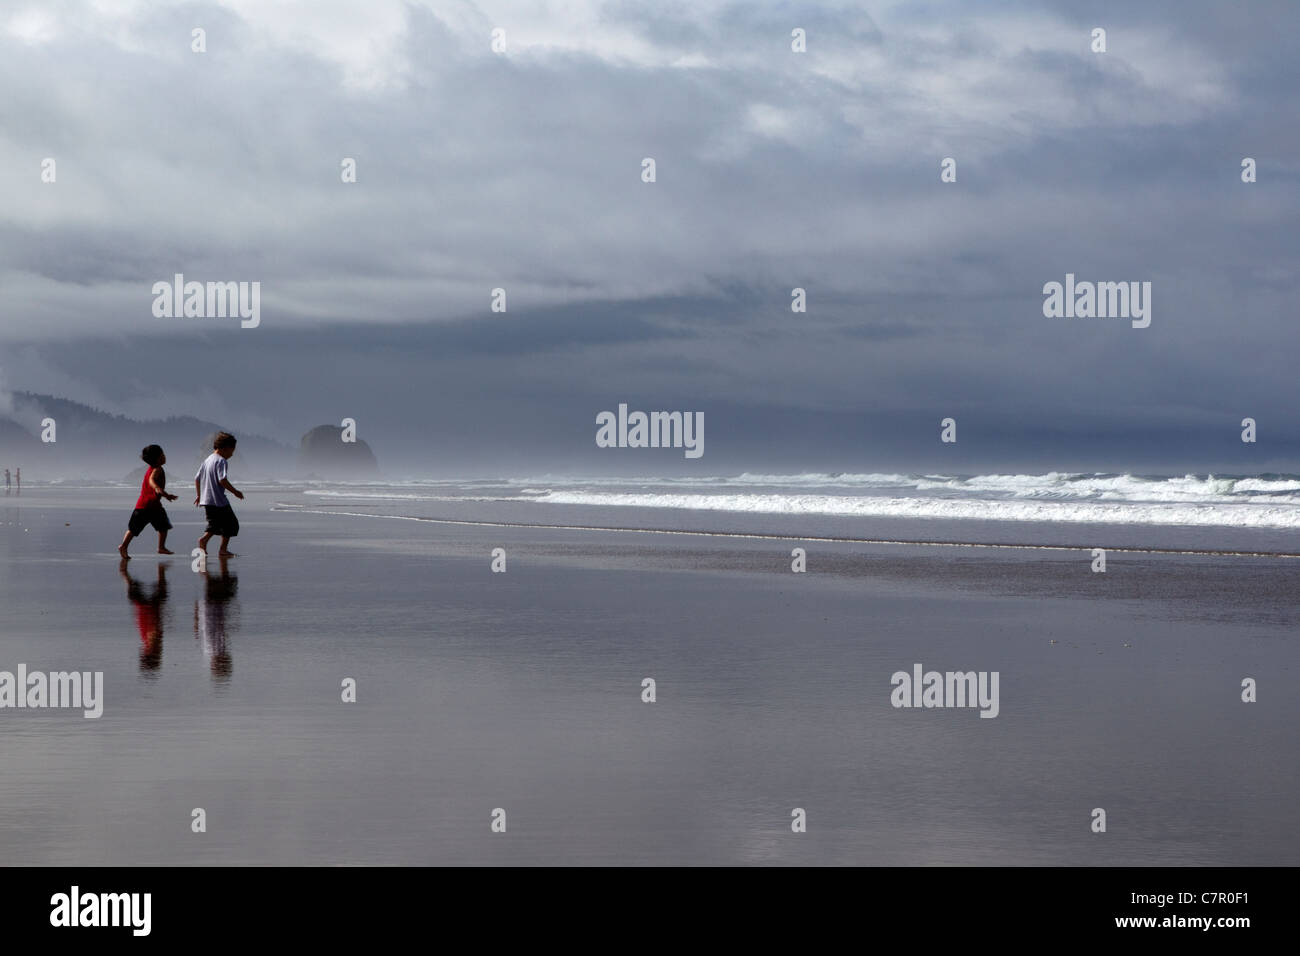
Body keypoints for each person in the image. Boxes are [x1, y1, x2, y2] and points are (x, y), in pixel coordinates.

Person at [118, 445, 178, 557]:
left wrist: (166, 495)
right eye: (162, 455)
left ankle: (125, 546)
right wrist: (156, 487)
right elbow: (152, 480)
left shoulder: (152, 469)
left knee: (137, 529)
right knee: (160, 527)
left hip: (148, 506)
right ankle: (160, 547)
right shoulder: (157, 469)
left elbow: (155, 485)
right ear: (158, 459)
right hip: (147, 506)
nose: (165, 456)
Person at [195, 432, 244, 557]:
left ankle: (205, 541)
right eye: (232, 451)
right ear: (226, 447)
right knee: (232, 524)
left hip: (206, 500)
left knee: (214, 524)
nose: (232, 454)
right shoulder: (221, 461)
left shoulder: (207, 460)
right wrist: (235, 492)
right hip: (219, 501)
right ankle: (221, 549)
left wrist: (199, 496)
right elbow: (222, 480)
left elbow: (197, 478)